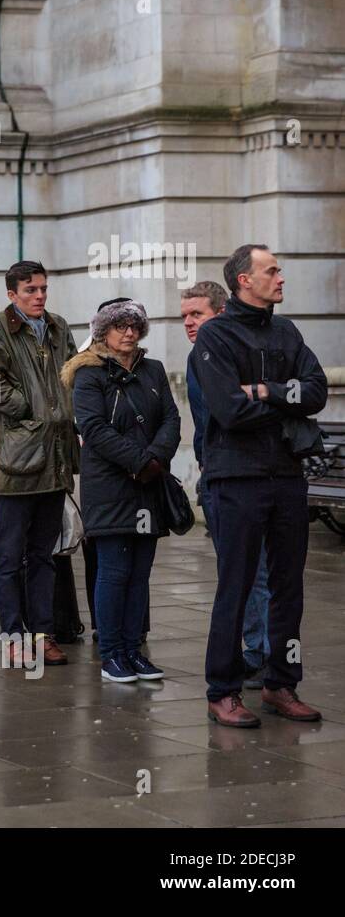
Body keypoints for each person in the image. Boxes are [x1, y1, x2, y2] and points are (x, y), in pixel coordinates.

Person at [195, 244, 326, 727]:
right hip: (237, 478)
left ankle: (280, 683)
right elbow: (228, 410)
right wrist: (284, 401)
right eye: (272, 271)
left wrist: (266, 390)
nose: (281, 278)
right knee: (238, 585)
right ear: (244, 280)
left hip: (287, 476)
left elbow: (315, 389)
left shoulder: (287, 330)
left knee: (290, 588)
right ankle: (223, 690)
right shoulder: (215, 337)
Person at [62, 300, 180, 682]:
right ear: (103, 332)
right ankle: (112, 654)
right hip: (110, 485)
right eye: (120, 326)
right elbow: (94, 429)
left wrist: (156, 460)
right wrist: (138, 462)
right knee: (114, 571)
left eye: (134, 326)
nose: (128, 332)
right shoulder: (88, 374)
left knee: (140, 573)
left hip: (150, 484)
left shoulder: (154, 370)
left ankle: (134, 650)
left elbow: (171, 420)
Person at [0, 261, 77, 666]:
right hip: (19, 458)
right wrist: (32, 412)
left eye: (43, 289)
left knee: (45, 553)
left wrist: (71, 417)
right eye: (30, 290)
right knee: (9, 555)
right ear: (12, 293)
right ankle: (13, 635)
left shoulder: (58, 326)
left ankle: (43, 632)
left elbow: (71, 374)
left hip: (56, 459)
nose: (39, 296)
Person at [182, 281, 271, 689]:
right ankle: (255, 649)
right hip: (217, 473)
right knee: (238, 572)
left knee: (259, 573)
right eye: (184, 315)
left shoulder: (237, 351)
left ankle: (263, 653)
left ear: (220, 312)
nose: (188, 323)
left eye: (195, 314)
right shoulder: (195, 355)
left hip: (251, 474)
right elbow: (203, 423)